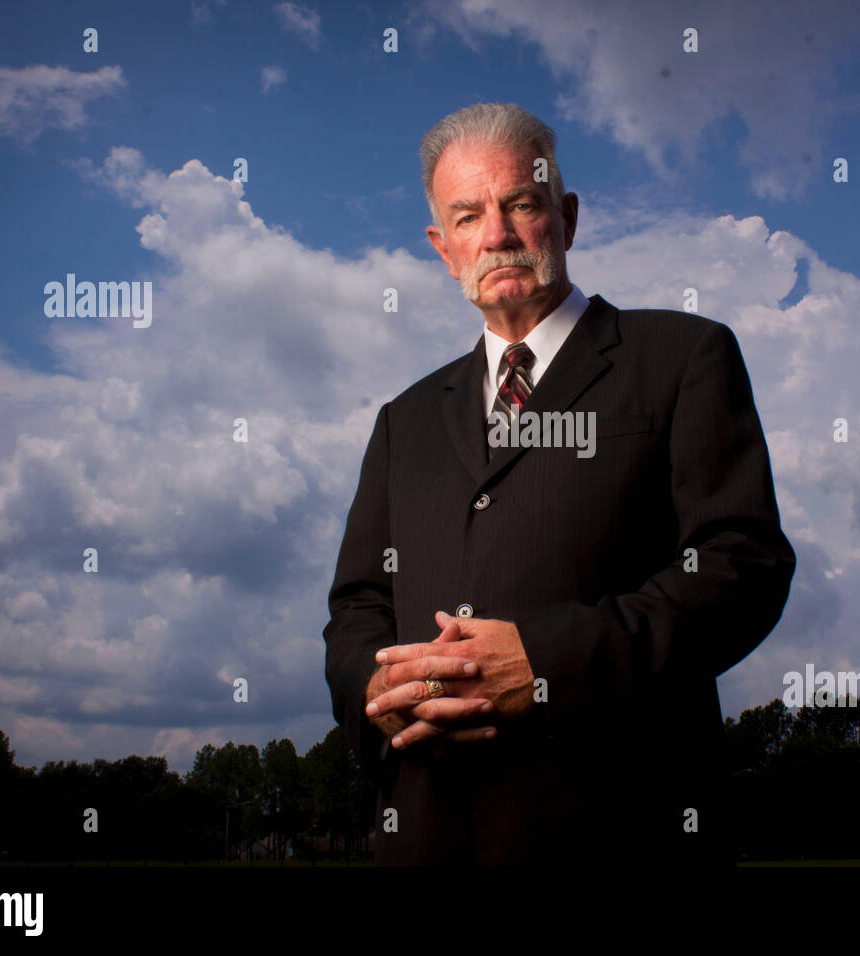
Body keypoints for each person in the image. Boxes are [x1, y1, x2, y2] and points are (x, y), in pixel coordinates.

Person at [323, 102, 796, 866]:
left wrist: (544, 662)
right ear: (444, 250)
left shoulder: (683, 357)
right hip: (426, 833)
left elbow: (741, 565)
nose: (499, 235)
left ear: (566, 217)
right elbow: (357, 608)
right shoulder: (401, 420)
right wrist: (380, 694)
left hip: (619, 831)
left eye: (521, 205)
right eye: (469, 216)